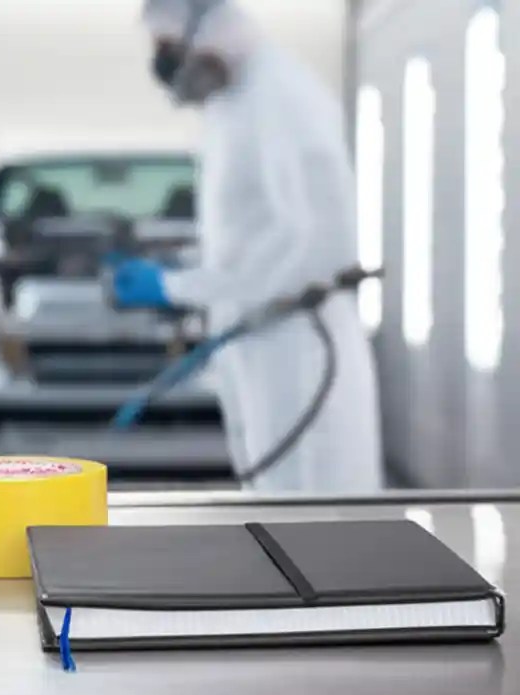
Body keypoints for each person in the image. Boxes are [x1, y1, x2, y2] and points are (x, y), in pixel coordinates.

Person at [113, 0, 382, 493]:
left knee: (310, 510)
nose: (162, 63)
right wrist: (187, 270)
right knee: (274, 500)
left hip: (302, 345)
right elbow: (248, 235)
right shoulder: (233, 105)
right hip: (263, 340)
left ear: (207, 27)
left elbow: (310, 246)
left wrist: (176, 285)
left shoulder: (280, 98)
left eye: (166, 45)